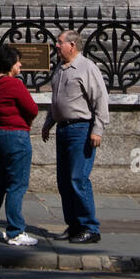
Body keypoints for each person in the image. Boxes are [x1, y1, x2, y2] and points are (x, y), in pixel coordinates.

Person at [40, 30, 109, 244]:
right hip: (63, 128)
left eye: (60, 42)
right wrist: (48, 123)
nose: (56, 46)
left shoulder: (87, 68)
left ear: (73, 45)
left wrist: (98, 129)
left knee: (78, 178)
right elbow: (56, 100)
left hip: (81, 129)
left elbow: (100, 99)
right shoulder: (60, 69)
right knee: (64, 181)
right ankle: (74, 225)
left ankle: (90, 227)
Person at [0, 43, 39, 246]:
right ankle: (15, 231)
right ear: (11, 64)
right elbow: (32, 109)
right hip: (15, 135)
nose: (20, 65)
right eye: (18, 61)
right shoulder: (15, 84)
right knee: (17, 184)